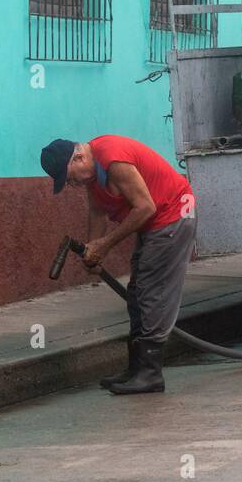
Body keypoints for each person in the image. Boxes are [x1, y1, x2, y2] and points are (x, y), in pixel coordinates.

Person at [40, 135, 196, 394]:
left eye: (69, 177)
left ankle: (150, 373)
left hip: (173, 215)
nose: (71, 183)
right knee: (137, 293)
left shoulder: (112, 158)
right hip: (155, 223)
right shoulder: (93, 176)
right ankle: (136, 368)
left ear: (78, 157)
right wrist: (92, 250)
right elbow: (98, 212)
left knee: (151, 292)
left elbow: (145, 207)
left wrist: (104, 245)